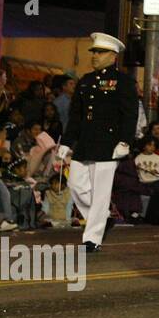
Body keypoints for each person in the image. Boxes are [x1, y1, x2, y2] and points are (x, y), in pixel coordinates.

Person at [57, 33, 137, 252]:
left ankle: (92, 239)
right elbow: (76, 116)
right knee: (75, 185)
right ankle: (102, 218)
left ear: (113, 56)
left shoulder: (123, 81)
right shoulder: (86, 80)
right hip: (84, 142)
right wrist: (66, 142)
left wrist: (125, 141)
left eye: (100, 52)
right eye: (94, 52)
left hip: (108, 143)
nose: (95, 56)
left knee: (101, 192)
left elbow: (130, 115)